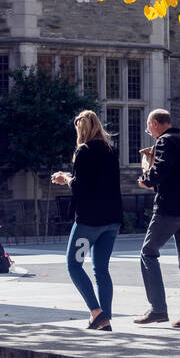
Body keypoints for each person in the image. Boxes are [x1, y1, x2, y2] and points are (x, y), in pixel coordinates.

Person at [51, 110, 123, 331]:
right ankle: (105, 320)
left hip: (90, 222)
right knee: (101, 269)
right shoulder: (112, 150)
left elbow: (81, 188)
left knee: (73, 264)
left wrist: (65, 178)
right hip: (112, 220)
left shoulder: (83, 151)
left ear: (80, 130)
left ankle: (96, 311)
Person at [134, 108, 180, 329]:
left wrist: (146, 179)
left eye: (148, 126)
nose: (149, 131)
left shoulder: (164, 142)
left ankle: (158, 309)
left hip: (169, 209)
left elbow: (161, 170)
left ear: (154, 123)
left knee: (147, 253)